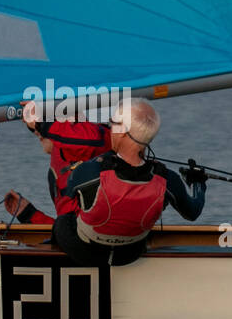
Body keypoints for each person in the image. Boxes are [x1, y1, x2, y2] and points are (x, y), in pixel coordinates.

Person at [51, 97, 206, 266]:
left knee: (63, 220)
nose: (109, 128)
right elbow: (192, 213)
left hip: (85, 252)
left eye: (112, 123)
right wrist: (198, 183)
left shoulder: (90, 171)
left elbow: (68, 196)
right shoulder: (168, 179)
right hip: (130, 254)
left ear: (122, 130)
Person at [4, 99, 111, 226]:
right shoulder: (57, 166)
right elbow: (66, 229)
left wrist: (42, 124)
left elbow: (89, 140)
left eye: (47, 118)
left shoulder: (99, 141)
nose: (37, 132)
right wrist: (29, 214)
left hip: (104, 232)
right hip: (82, 235)